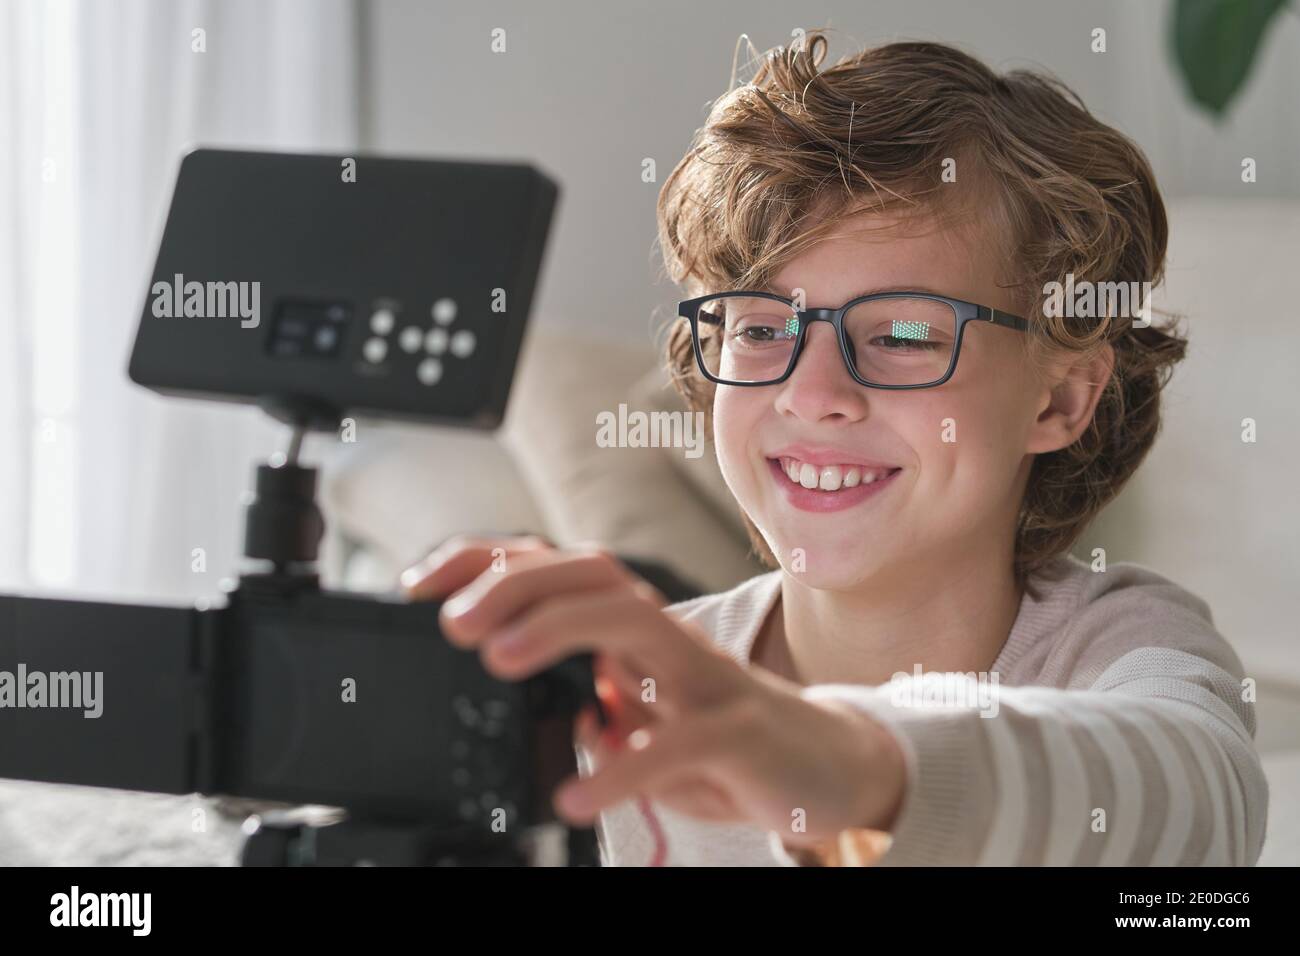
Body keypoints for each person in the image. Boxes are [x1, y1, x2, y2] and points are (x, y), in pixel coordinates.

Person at [400, 31, 1268, 866]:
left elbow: (1193, 805)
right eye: (762, 328)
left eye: (901, 335)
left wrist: (849, 763)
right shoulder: (633, 692)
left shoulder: (1120, 650)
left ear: (1063, 397)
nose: (811, 395)